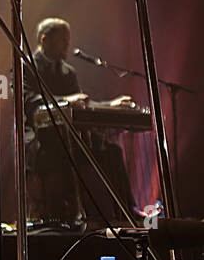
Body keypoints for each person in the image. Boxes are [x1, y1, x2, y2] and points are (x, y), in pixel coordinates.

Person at [22, 17, 139, 228]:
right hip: (39, 139)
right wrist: (66, 101)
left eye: (67, 39)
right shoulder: (26, 66)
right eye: (62, 40)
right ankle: (74, 215)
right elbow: (28, 101)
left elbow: (81, 103)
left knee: (111, 153)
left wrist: (110, 105)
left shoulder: (68, 72)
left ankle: (125, 211)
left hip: (69, 136)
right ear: (44, 40)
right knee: (66, 153)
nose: (67, 45)